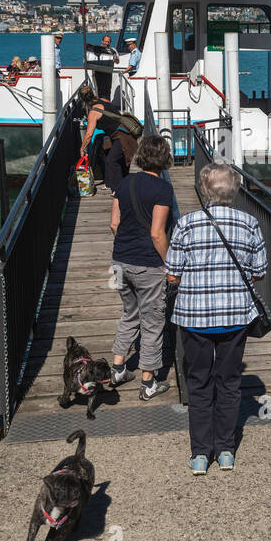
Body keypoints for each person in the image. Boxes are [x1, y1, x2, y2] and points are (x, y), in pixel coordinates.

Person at [165, 162, 267, 475]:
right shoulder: (250, 223)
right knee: (229, 382)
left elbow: (171, 275)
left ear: (205, 190)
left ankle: (199, 455)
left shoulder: (186, 224)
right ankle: (225, 451)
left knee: (198, 383)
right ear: (233, 190)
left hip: (194, 316)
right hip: (235, 315)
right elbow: (260, 272)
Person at [109, 134, 176, 400]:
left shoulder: (124, 183)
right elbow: (157, 234)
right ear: (165, 159)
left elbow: (114, 224)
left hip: (119, 262)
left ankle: (118, 368)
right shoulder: (163, 189)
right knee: (152, 323)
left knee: (129, 313)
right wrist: (171, 265)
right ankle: (148, 384)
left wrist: (127, 247)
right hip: (147, 265)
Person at [80, 90, 140, 190]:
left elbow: (89, 134)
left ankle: (117, 190)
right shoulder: (103, 100)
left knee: (111, 161)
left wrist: (82, 148)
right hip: (121, 133)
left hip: (122, 135)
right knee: (105, 154)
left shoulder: (93, 112)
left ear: (83, 100)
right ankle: (109, 183)